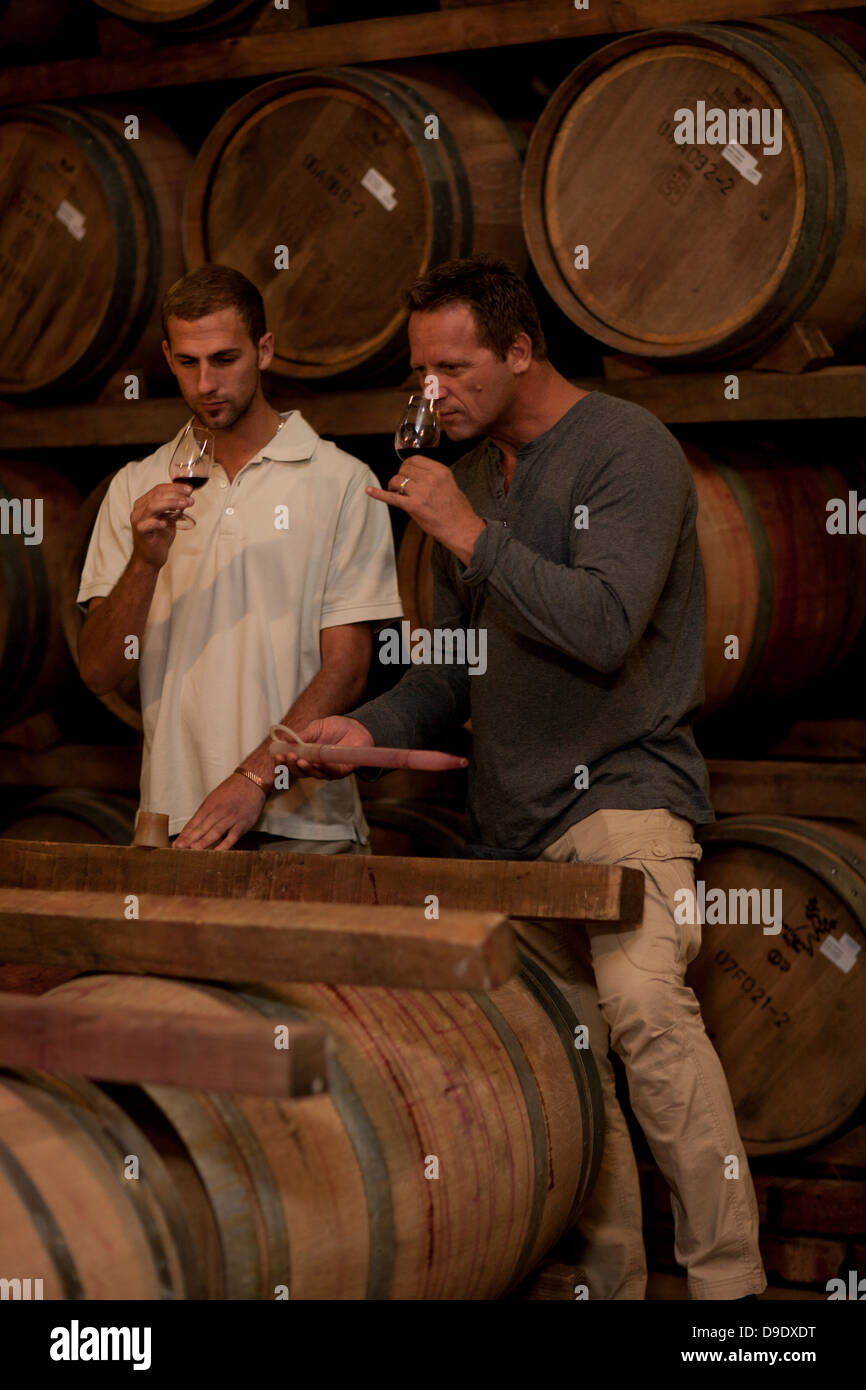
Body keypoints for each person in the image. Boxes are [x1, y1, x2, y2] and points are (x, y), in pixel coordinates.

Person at [279, 255, 767, 1300]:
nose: (433, 392)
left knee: (645, 1012)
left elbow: (605, 624)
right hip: (511, 828)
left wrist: (466, 533)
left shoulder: (624, 449)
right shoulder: (475, 478)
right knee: (565, 1064)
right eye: (420, 372)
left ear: (518, 350)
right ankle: (612, 1290)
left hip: (626, 797)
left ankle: (732, 1298)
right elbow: (447, 675)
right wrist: (362, 730)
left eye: (454, 369)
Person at [78, 264, 402, 853]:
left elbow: (348, 668)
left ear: (264, 350)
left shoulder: (343, 482)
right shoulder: (135, 485)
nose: (206, 382)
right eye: (188, 362)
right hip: (177, 824)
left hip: (308, 829)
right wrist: (145, 564)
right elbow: (101, 671)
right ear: (167, 357)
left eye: (225, 359)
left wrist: (254, 778)